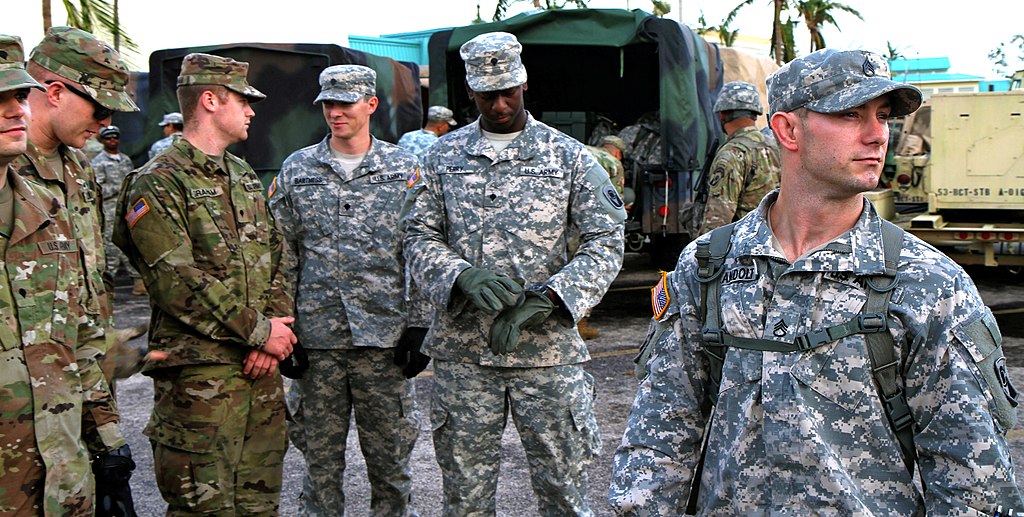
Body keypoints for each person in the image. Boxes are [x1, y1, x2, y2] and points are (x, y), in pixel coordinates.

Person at [609, 48, 1024, 515]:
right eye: (850, 114)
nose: (877, 135)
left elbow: (975, 484)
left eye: (883, 116)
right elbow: (661, 431)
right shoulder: (708, 266)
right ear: (788, 130)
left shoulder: (929, 283)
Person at [403, 32, 626, 516]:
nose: (500, 103)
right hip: (465, 355)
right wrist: (460, 275)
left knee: (564, 494)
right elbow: (416, 236)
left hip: (547, 355)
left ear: (524, 83)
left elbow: (606, 240)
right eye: (488, 94)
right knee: (464, 496)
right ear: (470, 92)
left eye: (508, 91)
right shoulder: (440, 158)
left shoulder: (567, 156)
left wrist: (550, 297)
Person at [113, 52, 296, 515]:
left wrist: (270, 333)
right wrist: (260, 332)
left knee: (260, 505)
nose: (252, 110)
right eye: (243, 100)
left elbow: (278, 254)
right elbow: (176, 280)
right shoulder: (157, 182)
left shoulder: (242, 175)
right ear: (211, 100)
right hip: (202, 386)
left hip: (260, 376)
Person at [268, 64, 427, 516]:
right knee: (318, 468)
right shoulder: (298, 169)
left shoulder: (405, 168)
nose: (335, 113)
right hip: (317, 342)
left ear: (371, 105)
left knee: (392, 465)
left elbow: (419, 247)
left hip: (385, 340)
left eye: (345, 103)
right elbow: (282, 252)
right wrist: (285, 325)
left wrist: (419, 324)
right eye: (328, 104)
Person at [0, 33, 136, 517]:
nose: (106, 123)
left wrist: (107, 438)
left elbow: (86, 291)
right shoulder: (14, 171)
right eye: (99, 108)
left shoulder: (80, 171)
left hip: (76, 386)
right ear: (55, 92)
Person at [695, 80, 781, 237]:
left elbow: (718, 218)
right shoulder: (777, 147)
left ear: (722, 114)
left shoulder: (731, 154)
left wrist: (702, 254)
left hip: (744, 245)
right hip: (778, 241)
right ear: (755, 114)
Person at [91, 125, 143, 296]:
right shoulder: (98, 162)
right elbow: (96, 190)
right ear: (102, 140)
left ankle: (138, 282)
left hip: (127, 211)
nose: (112, 141)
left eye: (115, 137)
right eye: (108, 138)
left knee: (132, 245)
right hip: (109, 211)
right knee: (110, 248)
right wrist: (117, 188)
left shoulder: (125, 159)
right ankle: (107, 286)